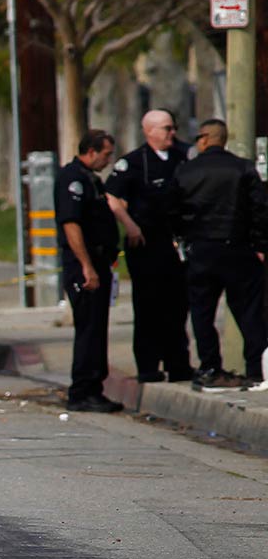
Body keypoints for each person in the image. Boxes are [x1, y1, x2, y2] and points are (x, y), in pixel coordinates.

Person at [172, 118, 268, 391]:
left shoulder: (186, 172)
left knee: (202, 313)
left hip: (201, 250)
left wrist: (183, 238)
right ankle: (256, 370)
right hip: (238, 249)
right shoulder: (243, 169)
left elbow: (172, 210)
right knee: (249, 312)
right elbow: (260, 210)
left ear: (204, 139)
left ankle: (211, 368)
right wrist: (259, 245)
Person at [104, 110, 193, 383]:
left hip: (176, 243)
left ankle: (178, 363)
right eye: (167, 128)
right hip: (146, 243)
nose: (172, 133)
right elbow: (112, 197)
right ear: (150, 131)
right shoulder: (133, 162)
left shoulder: (182, 157)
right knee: (148, 305)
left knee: (178, 306)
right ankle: (148, 365)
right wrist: (130, 225)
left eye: (173, 127)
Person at [57, 129, 124, 413]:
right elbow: (71, 225)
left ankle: (94, 388)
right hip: (84, 265)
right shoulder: (72, 179)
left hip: (98, 262)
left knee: (97, 328)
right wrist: (86, 266)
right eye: (106, 154)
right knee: (88, 329)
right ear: (91, 151)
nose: (109, 160)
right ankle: (82, 390)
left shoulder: (90, 180)